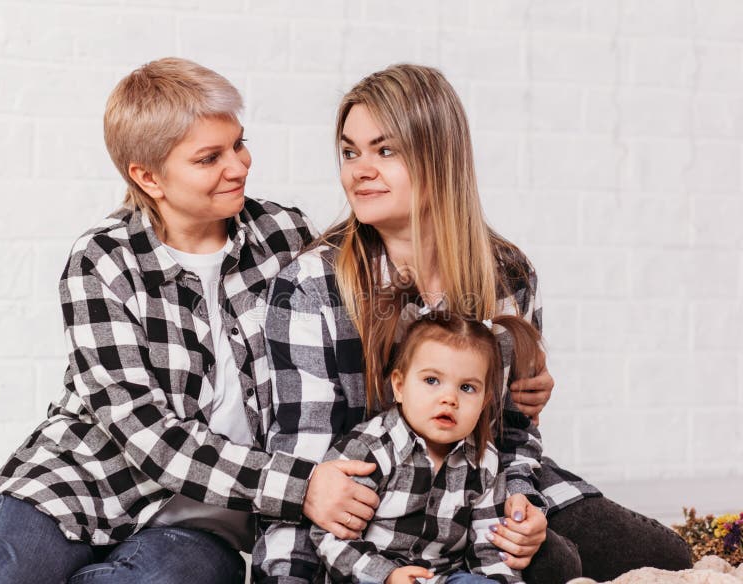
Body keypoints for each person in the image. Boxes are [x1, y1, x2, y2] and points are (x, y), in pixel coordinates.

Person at [0, 57, 380, 584]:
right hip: (81, 483)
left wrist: (502, 362)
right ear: (148, 177)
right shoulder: (103, 260)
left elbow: (375, 310)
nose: (238, 166)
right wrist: (300, 485)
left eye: (239, 144)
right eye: (208, 158)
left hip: (205, 523)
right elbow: (144, 432)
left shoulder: (284, 236)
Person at [254, 64, 692, 583]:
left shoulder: (507, 274)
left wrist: (522, 504)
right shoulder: (313, 285)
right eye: (350, 151)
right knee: (556, 565)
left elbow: (514, 433)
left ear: (440, 157)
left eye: (385, 150)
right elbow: (311, 465)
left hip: (478, 487)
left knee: (664, 558)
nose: (360, 170)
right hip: (371, 511)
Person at [312, 311, 544, 584]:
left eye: (467, 388)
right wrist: (386, 575)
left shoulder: (485, 462)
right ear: (399, 386)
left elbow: (489, 547)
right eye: (432, 381)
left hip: (444, 579)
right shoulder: (371, 449)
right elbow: (330, 536)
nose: (449, 399)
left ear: (484, 402)